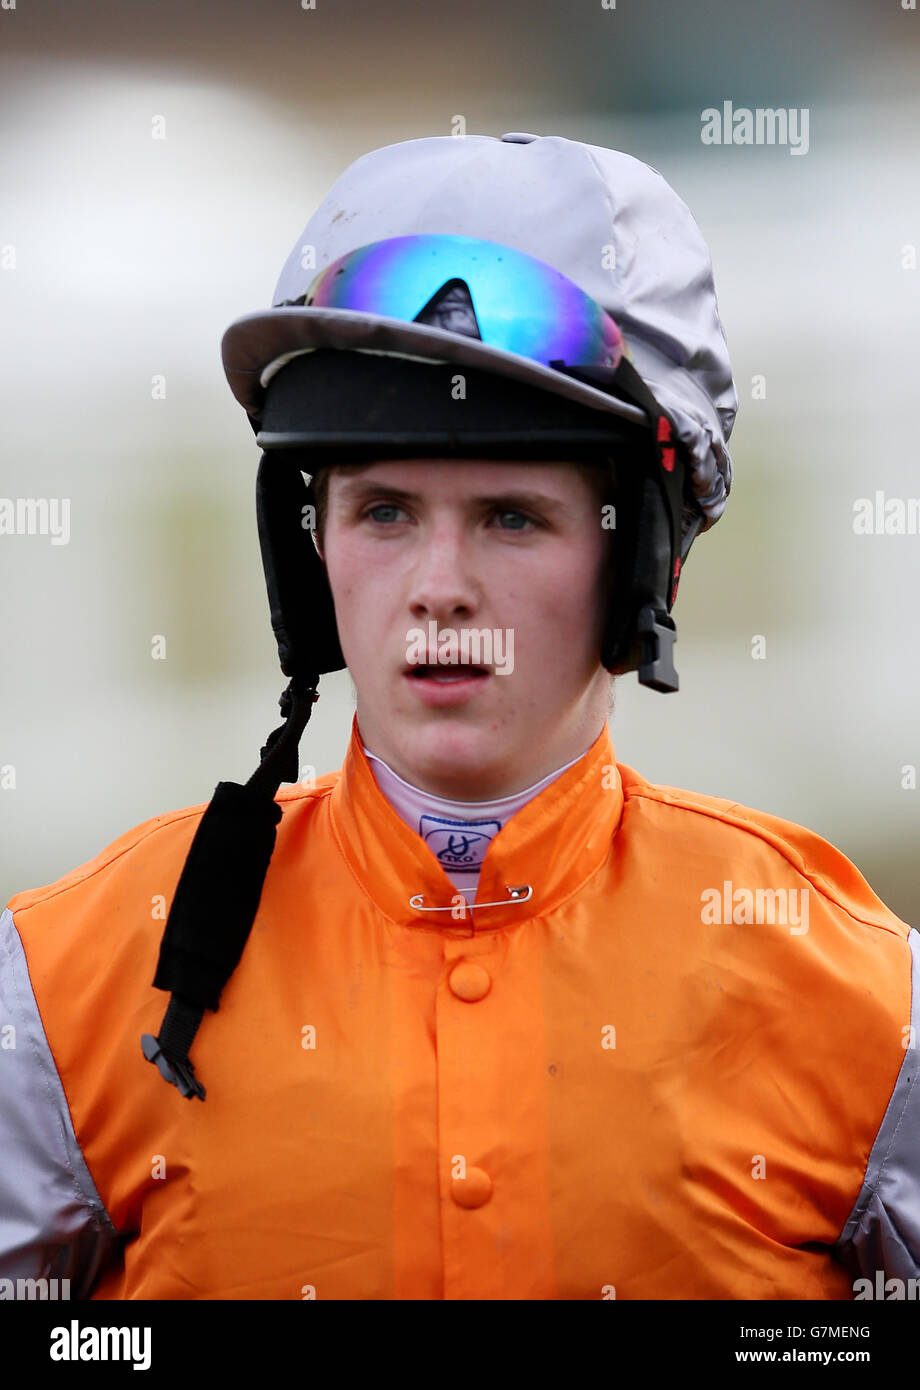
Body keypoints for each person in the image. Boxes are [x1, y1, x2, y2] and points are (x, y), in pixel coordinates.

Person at [1, 132, 917, 1302]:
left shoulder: (863, 1005)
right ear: (308, 549)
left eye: (511, 516)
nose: (439, 584)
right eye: (383, 510)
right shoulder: (63, 984)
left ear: (642, 557)